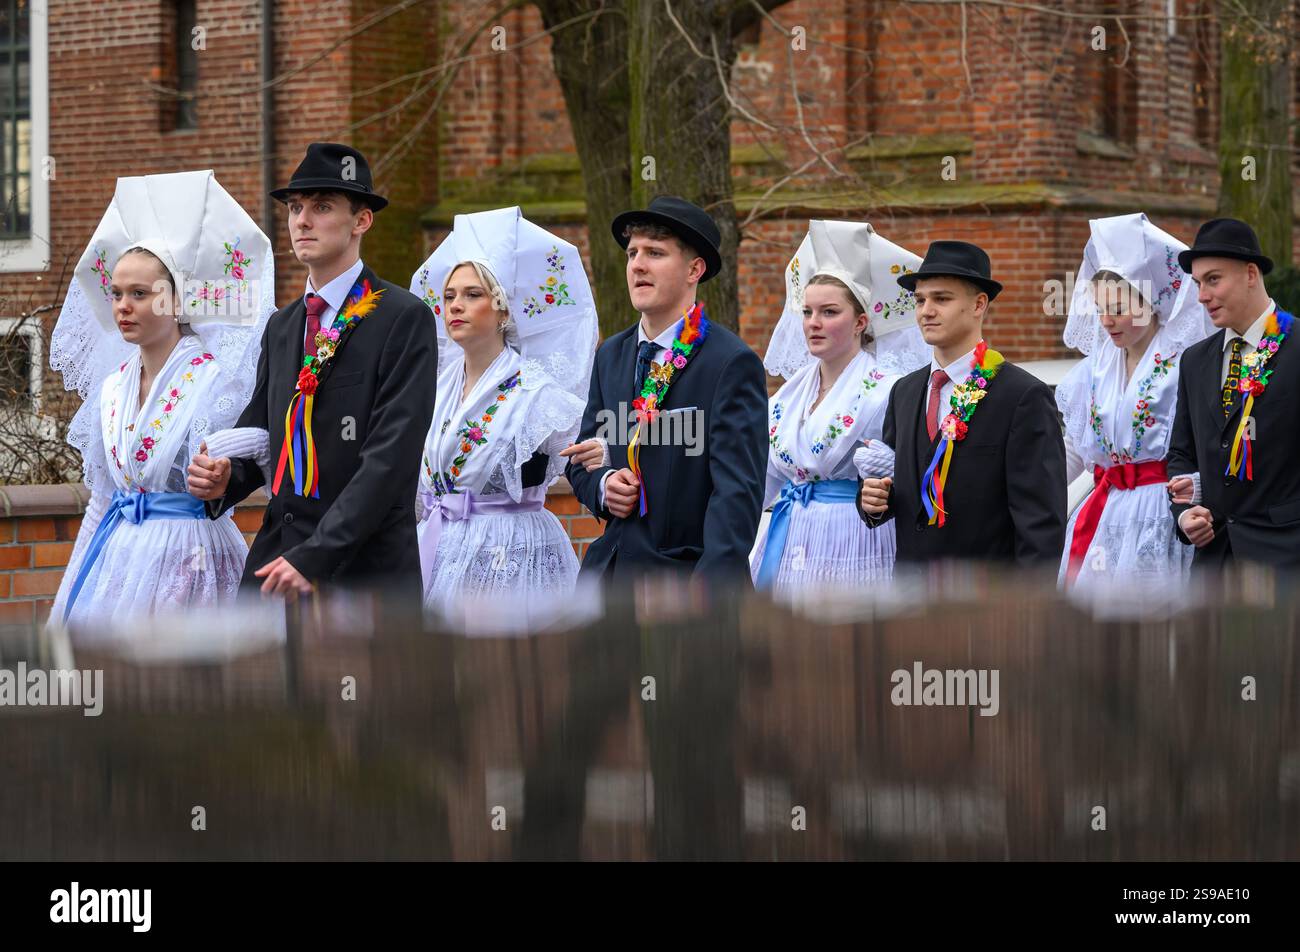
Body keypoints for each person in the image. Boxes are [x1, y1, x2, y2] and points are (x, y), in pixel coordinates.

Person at [187, 142, 438, 601]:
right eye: (295, 207)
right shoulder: (283, 326)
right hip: (276, 557)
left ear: (361, 220)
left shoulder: (403, 317)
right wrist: (227, 477)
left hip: (365, 571)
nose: (301, 220)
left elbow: (390, 457)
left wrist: (316, 555)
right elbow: (263, 429)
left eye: (322, 207)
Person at [48, 170, 274, 634]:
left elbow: (268, 451)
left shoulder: (215, 377)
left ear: (174, 301)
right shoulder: (113, 387)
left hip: (192, 558)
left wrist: (241, 450)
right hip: (121, 559)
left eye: (139, 293)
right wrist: (66, 600)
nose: (123, 306)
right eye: (116, 293)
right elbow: (103, 501)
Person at [563, 195, 768, 583]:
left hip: (686, 579)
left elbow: (736, 497)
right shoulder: (610, 355)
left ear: (694, 269)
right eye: (632, 253)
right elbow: (582, 458)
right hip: (612, 578)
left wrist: (704, 598)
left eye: (655, 253)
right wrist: (605, 486)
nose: (637, 264)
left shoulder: (730, 363)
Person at [409, 206, 596, 629]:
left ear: (503, 309)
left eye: (473, 295)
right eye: (450, 295)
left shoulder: (537, 394)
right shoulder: (434, 389)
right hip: (443, 551)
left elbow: (579, 459)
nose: (456, 305)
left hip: (510, 551)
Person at [856, 240, 1066, 564]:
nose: (926, 311)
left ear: (979, 304)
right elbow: (897, 490)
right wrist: (872, 500)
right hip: (912, 596)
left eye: (942, 299)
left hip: (986, 601)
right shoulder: (904, 392)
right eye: (921, 300)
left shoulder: (1023, 396)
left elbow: (1040, 524)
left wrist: (1028, 610)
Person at [750, 219, 930, 591]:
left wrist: (889, 470)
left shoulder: (887, 390)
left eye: (829, 312)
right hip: (792, 531)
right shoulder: (791, 392)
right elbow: (763, 476)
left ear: (860, 322)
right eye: (807, 312)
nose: (814, 323)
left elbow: (915, 472)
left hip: (855, 535)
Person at [1055, 213, 1213, 591]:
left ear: (1151, 302)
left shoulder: (1183, 364)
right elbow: (1076, 451)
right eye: (1101, 309)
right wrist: (1027, 488)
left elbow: (1204, 447)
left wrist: (1197, 493)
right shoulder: (1093, 370)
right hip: (1105, 510)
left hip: (1162, 510)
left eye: (1119, 309)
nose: (1107, 321)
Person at [1166, 218, 1299, 567]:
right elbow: (1182, 453)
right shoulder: (1194, 361)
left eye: (1213, 279)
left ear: (1251, 273)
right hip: (1215, 564)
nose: (1202, 296)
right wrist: (1185, 512)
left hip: (1286, 563)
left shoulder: (1297, 345)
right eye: (1197, 283)